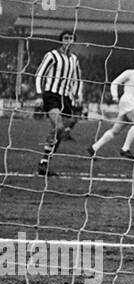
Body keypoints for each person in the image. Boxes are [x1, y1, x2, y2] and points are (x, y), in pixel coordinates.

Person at [35, 30, 83, 177]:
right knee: (59, 127)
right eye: (65, 38)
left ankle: (45, 162)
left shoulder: (74, 59)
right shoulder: (52, 55)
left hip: (66, 98)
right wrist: (38, 94)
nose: (68, 41)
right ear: (61, 40)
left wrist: (77, 94)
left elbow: (77, 79)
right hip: (52, 95)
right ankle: (43, 163)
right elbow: (39, 74)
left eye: (71, 38)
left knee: (61, 131)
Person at [89, 58, 134, 160]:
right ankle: (125, 149)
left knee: (116, 130)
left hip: (133, 102)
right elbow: (115, 82)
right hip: (127, 100)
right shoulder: (130, 73)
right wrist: (114, 96)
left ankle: (93, 148)